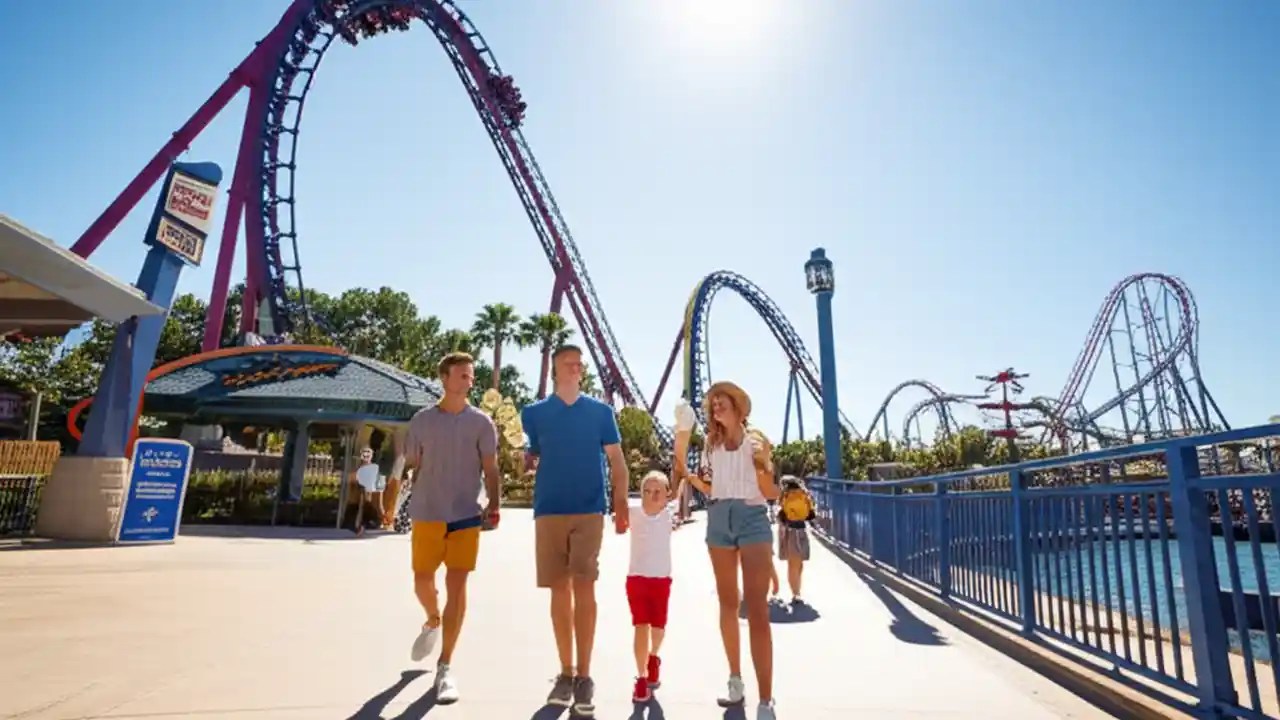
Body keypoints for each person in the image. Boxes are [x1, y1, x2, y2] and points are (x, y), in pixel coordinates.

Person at [521, 344, 629, 718]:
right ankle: (564, 672)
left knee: (585, 585)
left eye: (579, 363)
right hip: (548, 508)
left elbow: (617, 460)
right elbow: (533, 454)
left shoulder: (601, 412)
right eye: (568, 362)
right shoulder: (533, 413)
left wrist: (620, 504)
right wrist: (526, 459)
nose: (576, 366)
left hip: (589, 509)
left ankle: (585, 675)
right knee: (558, 588)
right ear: (554, 369)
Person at [400, 352, 502, 705]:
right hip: (427, 511)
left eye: (471, 376)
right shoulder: (422, 421)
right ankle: (432, 619)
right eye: (462, 375)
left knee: (457, 584)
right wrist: (391, 500)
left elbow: (490, 468)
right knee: (421, 581)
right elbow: (409, 466)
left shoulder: (482, 423)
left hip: (465, 515)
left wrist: (495, 503)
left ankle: (445, 666)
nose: (469, 380)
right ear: (444, 378)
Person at [676, 381, 779, 720]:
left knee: (757, 609)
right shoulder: (710, 445)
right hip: (719, 517)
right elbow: (711, 485)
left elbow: (772, 493)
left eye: (721, 401)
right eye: (713, 402)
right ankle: (735, 680)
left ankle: (766, 700)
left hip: (752, 517)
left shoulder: (756, 442)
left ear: (737, 407)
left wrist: (764, 462)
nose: (715, 405)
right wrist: (692, 479)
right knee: (727, 603)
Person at [627, 471, 676, 704]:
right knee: (640, 626)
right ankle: (641, 677)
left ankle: (653, 657)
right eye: (647, 491)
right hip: (637, 579)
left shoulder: (671, 516)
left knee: (658, 628)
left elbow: (683, 480)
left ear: (667, 494)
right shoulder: (633, 513)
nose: (652, 496)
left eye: (658, 491)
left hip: (661, 580)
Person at [775, 476, 816, 604]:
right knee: (799, 563)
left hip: (790, 531)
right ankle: (797, 590)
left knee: (792, 564)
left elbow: (781, 514)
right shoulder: (804, 495)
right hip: (802, 530)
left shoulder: (786, 496)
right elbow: (811, 514)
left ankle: (795, 593)